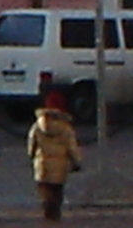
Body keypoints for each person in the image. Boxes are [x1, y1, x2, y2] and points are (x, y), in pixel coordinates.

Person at [28, 89, 82, 220]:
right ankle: (55, 213)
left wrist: (32, 156)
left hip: (42, 164)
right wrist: (77, 162)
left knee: (44, 188)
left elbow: (31, 144)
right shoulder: (66, 128)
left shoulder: (37, 126)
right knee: (57, 190)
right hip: (60, 165)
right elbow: (72, 148)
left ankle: (46, 208)